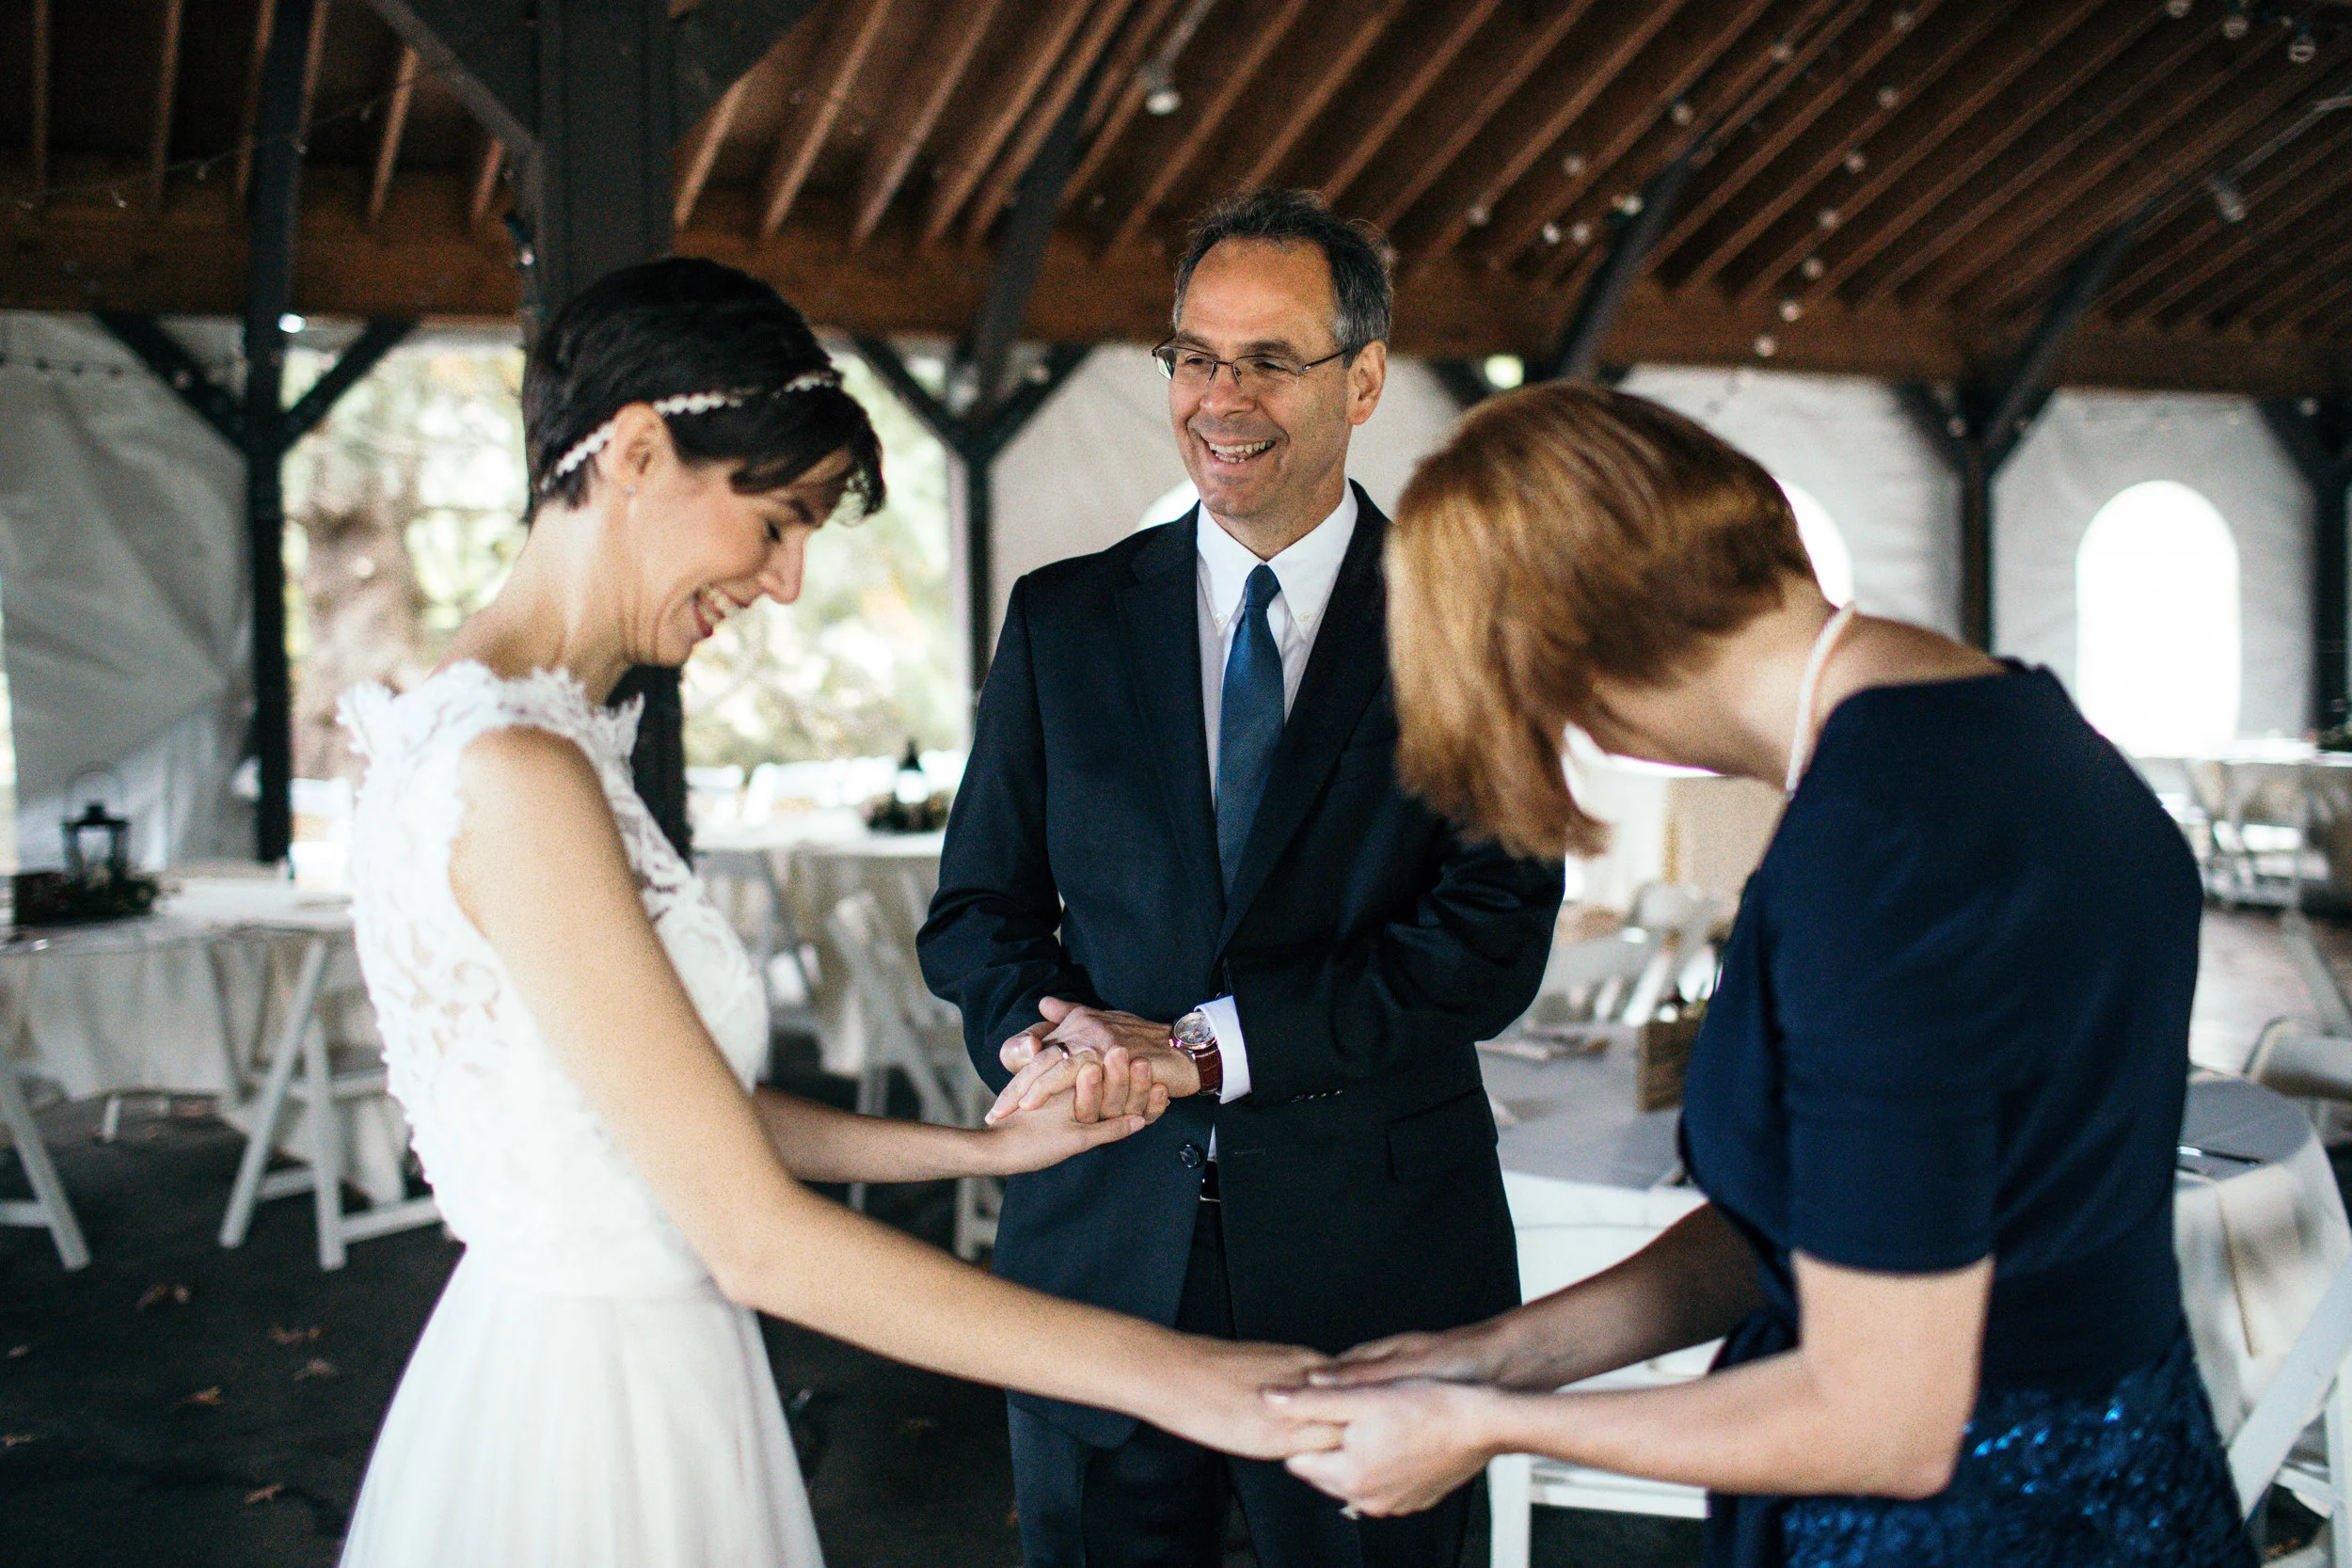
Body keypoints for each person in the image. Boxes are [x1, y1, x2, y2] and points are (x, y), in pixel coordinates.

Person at [332, 258, 1341, 1568]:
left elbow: (670, 1116)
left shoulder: (502, 738)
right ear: (637, 452)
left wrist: (980, 1155)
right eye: (777, 518)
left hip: (601, 1350)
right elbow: (752, 1234)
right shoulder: (516, 776)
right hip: (600, 1404)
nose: (789, 578)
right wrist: (1173, 1376)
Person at [1265, 383, 2256, 1567]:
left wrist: (1485, 1427)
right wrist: (1493, 1352)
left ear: (1556, 657)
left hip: (1974, 1523)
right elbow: (1831, 1222)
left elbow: (1883, 1417)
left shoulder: (1875, 851)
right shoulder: (2017, 726)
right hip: (2137, 1467)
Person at [916, 189, 1565, 1568]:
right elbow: (978, 910)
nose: (1223, 395)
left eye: (1270, 358)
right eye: (1196, 356)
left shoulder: (1480, 621)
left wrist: (1214, 1048)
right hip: (1098, 1249)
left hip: (1376, 1261)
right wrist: (1056, 1030)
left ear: (1365, 378)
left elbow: (1491, 936)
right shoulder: (1064, 618)